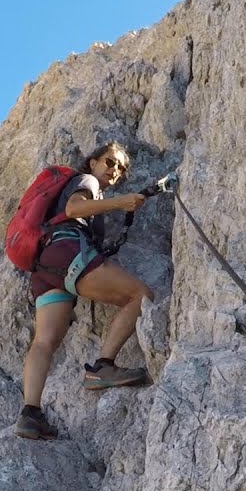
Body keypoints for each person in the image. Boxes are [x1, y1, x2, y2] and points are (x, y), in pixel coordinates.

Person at [16, 142, 154, 440]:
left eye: (120, 168)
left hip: (45, 267)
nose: (114, 170)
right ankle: (102, 367)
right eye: (110, 162)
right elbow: (74, 209)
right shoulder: (86, 181)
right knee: (139, 296)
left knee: (44, 341)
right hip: (66, 250)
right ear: (92, 162)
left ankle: (31, 413)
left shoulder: (88, 185)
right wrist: (121, 202)